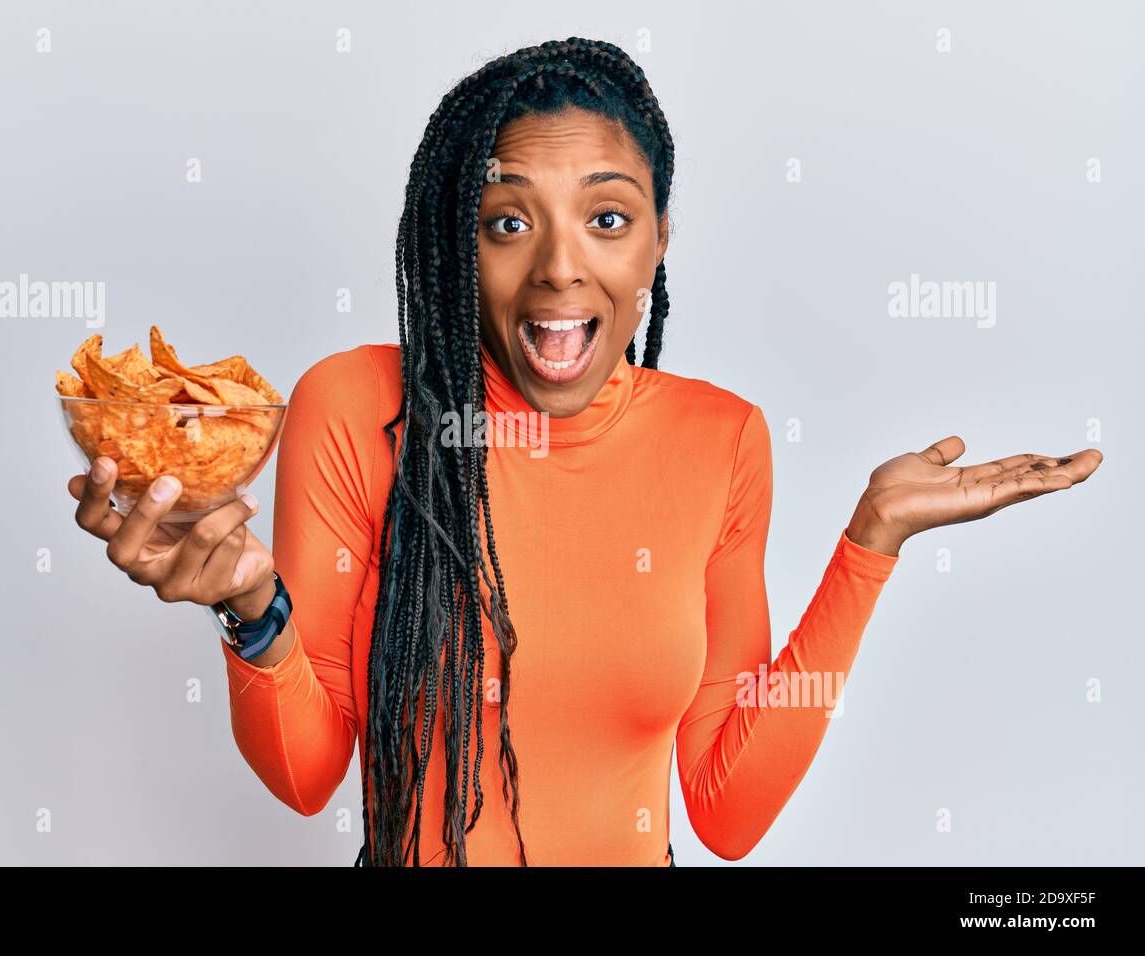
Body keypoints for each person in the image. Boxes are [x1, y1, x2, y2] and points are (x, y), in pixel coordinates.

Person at [67, 37, 1103, 867]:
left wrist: (869, 544)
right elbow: (304, 775)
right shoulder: (358, 408)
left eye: (607, 216)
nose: (562, 267)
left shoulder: (720, 437)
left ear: (657, 240)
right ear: (451, 242)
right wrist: (253, 611)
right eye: (507, 221)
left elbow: (728, 810)